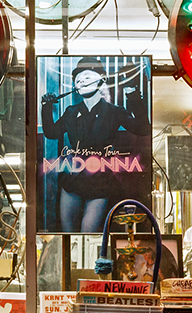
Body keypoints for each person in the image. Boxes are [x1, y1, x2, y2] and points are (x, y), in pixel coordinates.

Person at [42, 57, 150, 233]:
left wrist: (131, 92)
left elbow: (143, 128)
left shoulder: (114, 111)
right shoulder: (71, 112)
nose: (81, 81)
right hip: (72, 182)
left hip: (100, 182)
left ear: (101, 79)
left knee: (89, 232)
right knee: (69, 235)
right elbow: (51, 133)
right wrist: (46, 107)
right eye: (78, 80)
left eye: (86, 77)